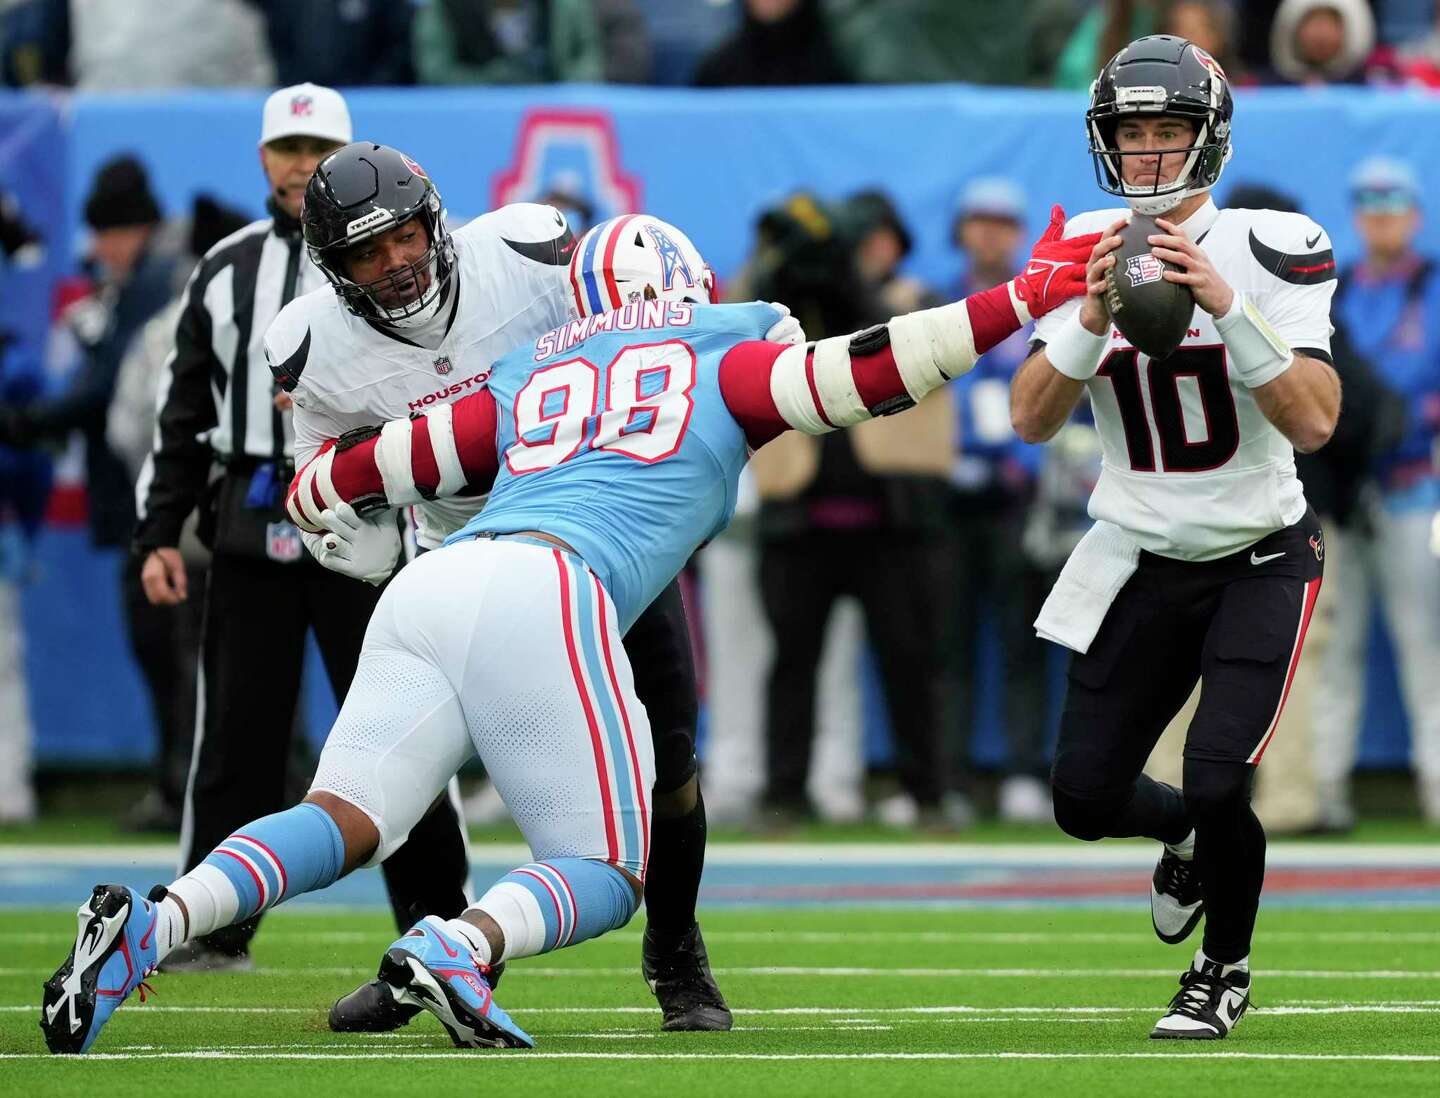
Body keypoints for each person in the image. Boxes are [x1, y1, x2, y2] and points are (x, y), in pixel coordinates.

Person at [40, 202, 1097, 1055]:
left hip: (431, 586)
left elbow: (368, 471)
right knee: (601, 872)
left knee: (344, 814)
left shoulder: (524, 375)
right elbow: (878, 365)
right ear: (694, 292)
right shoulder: (723, 348)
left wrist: (318, 491)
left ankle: (158, 921)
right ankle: (461, 947)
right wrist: (1026, 293)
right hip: (552, 590)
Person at [264, 142, 743, 1033]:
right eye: (367, 254)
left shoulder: (526, 255)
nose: (396, 263)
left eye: (405, 237)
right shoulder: (309, 345)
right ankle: (423, 956)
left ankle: (677, 953)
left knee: (668, 763)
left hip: (607, 541)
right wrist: (352, 533)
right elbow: (319, 480)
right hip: (463, 559)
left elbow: (639, 328)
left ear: (434, 222)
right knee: (402, 780)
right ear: (335, 271)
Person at [1011, 35, 1339, 1040]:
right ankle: (1189, 842)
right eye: (1133, 133)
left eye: (1168, 132)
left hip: (1259, 554)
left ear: (1212, 139)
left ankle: (1222, 969)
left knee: (1219, 775)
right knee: (1083, 796)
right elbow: (1031, 416)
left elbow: (1317, 419)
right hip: (1139, 558)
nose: (1149, 154)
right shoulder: (1081, 245)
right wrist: (1087, 309)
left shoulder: (1274, 243)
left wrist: (1229, 307)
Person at [129, 86, 474, 976]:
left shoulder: (406, 262)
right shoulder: (226, 267)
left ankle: (442, 923)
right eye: (287, 146)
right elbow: (184, 412)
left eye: (319, 145)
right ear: (261, 158)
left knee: (403, 725)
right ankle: (211, 929)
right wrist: (159, 530)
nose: (299, 161)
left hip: (366, 510)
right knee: (236, 732)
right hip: (253, 510)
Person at [1310, 157, 1440, 828]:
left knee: (1426, 645)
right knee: (1336, 644)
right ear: (1358, 217)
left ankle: (1436, 790)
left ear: (1414, 216)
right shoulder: (1339, 289)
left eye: (1394, 208)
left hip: (1416, 486)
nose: (1383, 220)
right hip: (1346, 490)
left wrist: (1407, 420)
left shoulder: (1433, 286)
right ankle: (1321, 790)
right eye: (1371, 208)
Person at [945, 177, 1056, 824]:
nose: (989, 234)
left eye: (1001, 223)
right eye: (978, 221)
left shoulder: (1041, 305)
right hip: (952, 496)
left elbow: (1066, 395)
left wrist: (1025, 462)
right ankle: (951, 777)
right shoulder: (935, 303)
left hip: (1018, 496)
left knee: (1023, 638)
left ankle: (1021, 770)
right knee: (949, 642)